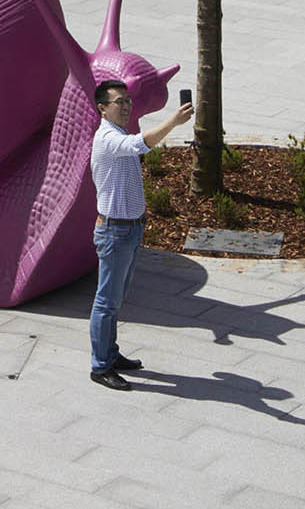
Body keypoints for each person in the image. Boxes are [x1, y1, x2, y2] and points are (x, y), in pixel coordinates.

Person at [87, 80, 193, 388]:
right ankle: (100, 366)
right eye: (119, 102)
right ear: (102, 108)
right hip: (115, 232)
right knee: (106, 301)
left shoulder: (118, 132)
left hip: (131, 229)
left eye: (127, 101)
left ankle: (110, 353)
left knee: (116, 299)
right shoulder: (107, 138)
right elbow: (140, 144)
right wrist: (174, 120)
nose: (126, 106)